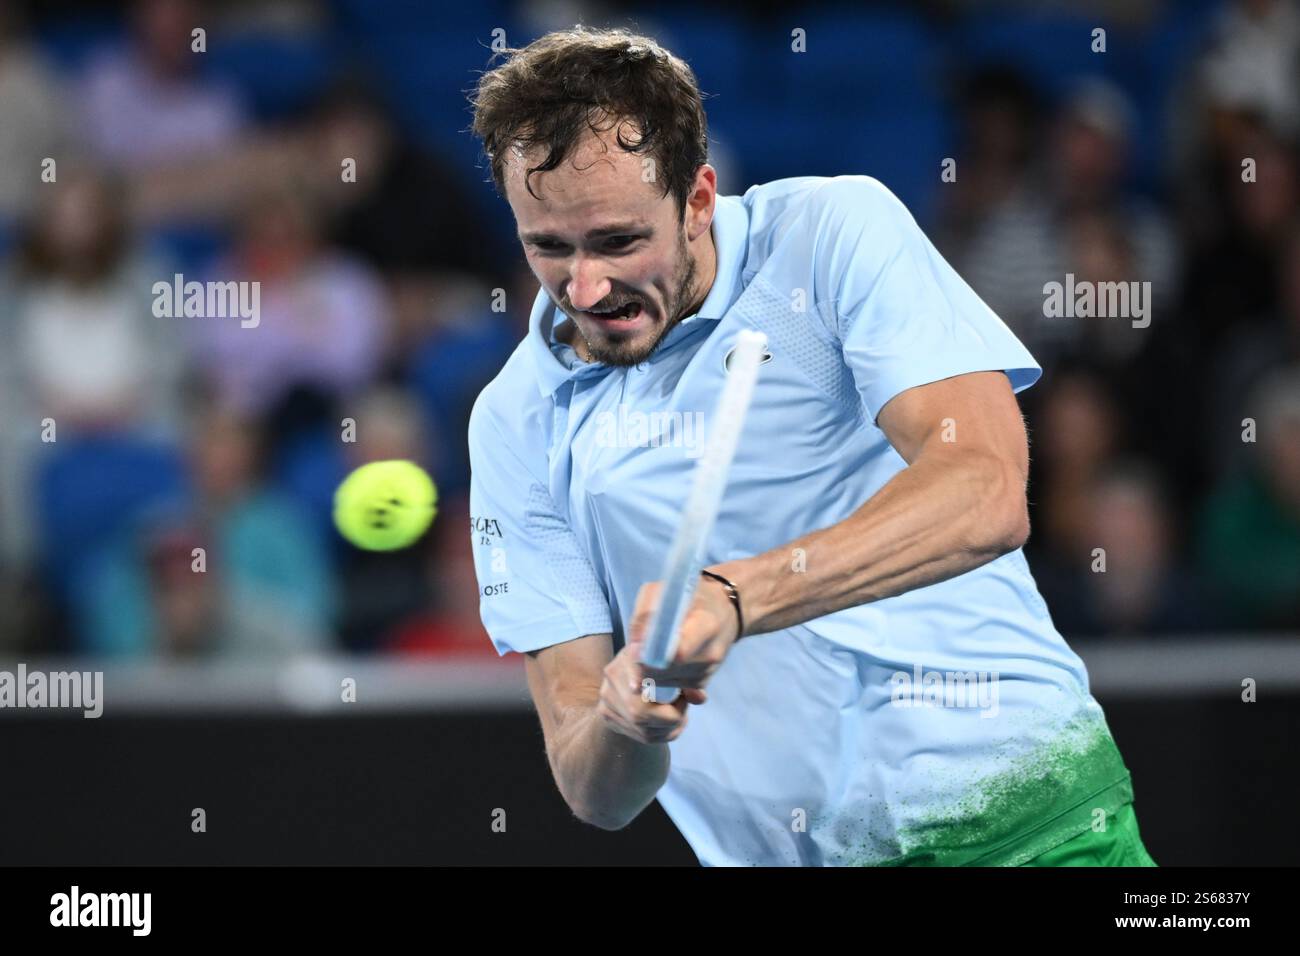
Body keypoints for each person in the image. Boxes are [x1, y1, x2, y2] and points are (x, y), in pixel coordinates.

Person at [466, 27, 1155, 867]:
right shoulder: (511, 421)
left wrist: (735, 596)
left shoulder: (832, 232)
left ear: (697, 199)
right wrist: (626, 720)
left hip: (1032, 834)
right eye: (548, 247)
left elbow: (985, 490)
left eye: (616, 241)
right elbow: (592, 788)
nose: (586, 287)